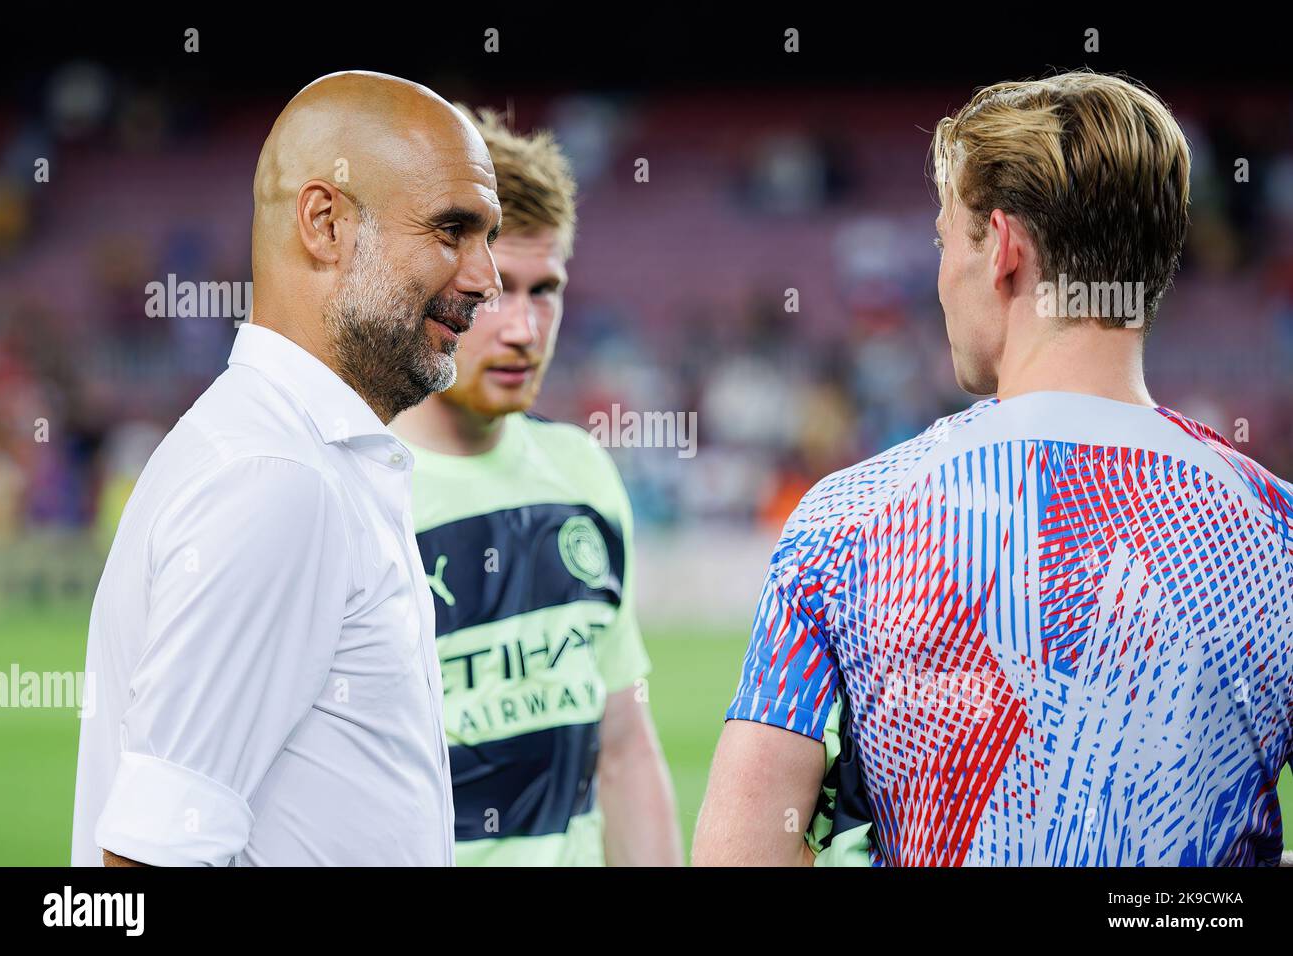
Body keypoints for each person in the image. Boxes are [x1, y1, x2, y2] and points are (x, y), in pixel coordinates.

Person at [694, 70, 1293, 866]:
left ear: (1003, 249)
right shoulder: (1274, 530)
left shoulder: (849, 522)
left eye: (948, 240)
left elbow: (738, 855)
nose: (942, 275)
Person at [71, 71, 501, 866]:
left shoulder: (294, 453)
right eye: (451, 230)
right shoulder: (278, 478)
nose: (486, 279)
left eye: (489, 238)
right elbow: (149, 862)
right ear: (326, 223)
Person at [392, 107, 682, 866]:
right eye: (494, 292)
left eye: (544, 289)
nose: (523, 328)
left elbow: (621, 750)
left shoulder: (582, 473)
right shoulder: (358, 492)